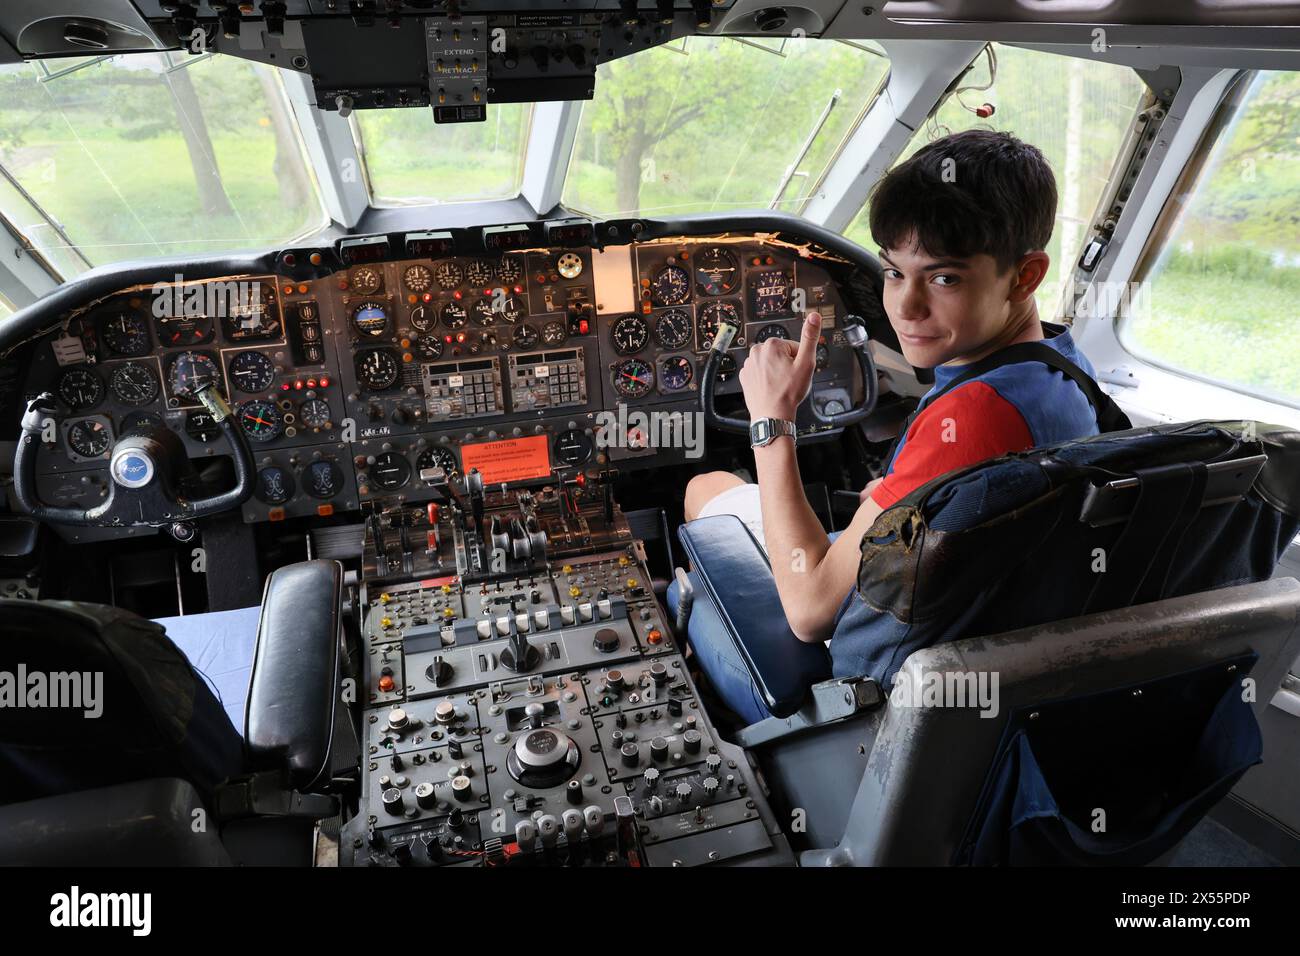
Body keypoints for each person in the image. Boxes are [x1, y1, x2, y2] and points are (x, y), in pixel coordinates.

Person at [682, 129, 1105, 723]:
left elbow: (808, 609)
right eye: (893, 271)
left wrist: (771, 420)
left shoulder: (974, 416)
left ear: (1025, 276)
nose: (904, 308)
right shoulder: (1063, 367)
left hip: (875, 691)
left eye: (944, 278)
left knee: (706, 489)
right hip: (970, 637)